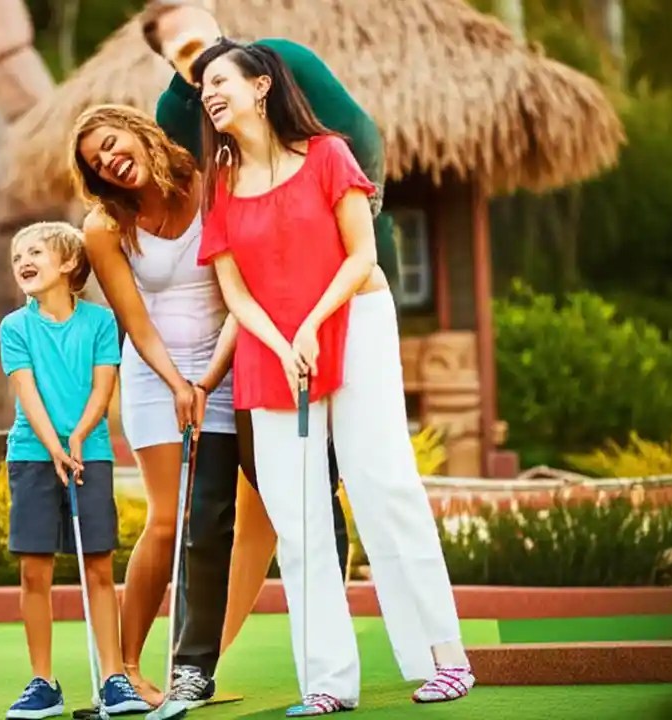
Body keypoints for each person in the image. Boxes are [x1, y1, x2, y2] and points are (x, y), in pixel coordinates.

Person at [191, 39, 475, 715]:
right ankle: (327, 681)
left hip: (353, 322)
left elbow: (361, 254)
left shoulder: (327, 155)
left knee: (385, 487)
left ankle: (444, 658)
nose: (208, 93)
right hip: (270, 349)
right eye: (203, 87)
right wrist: (280, 341)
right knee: (298, 517)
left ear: (261, 85)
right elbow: (234, 292)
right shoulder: (219, 184)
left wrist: (312, 325)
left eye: (220, 80)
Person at [139, 0, 396, 649]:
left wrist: (331, 246)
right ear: (168, 61)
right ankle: (258, 648)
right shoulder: (177, 116)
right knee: (279, 480)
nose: (200, 59)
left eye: (203, 39)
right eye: (183, 54)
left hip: (340, 293)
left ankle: (374, 629)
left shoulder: (286, 64)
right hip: (253, 322)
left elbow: (359, 143)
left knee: (354, 469)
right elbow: (208, 215)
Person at [69, 104, 247, 709]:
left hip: (222, 367)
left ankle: (193, 665)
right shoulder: (104, 226)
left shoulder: (211, 182)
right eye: (97, 163)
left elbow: (241, 288)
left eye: (112, 144)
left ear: (139, 132)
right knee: (168, 520)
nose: (110, 161)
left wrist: (206, 380)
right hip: (155, 377)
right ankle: (124, 669)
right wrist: (176, 383)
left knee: (209, 521)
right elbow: (135, 321)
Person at [0, 221, 153, 720]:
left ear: (68, 263)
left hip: (90, 453)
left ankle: (113, 678)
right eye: (17, 255)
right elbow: (27, 394)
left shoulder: (101, 322)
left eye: (35, 251)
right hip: (32, 454)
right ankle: (43, 683)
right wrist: (54, 447)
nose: (23, 261)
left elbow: (103, 388)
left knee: (99, 567)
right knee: (34, 570)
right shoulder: (13, 327)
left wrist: (79, 436)